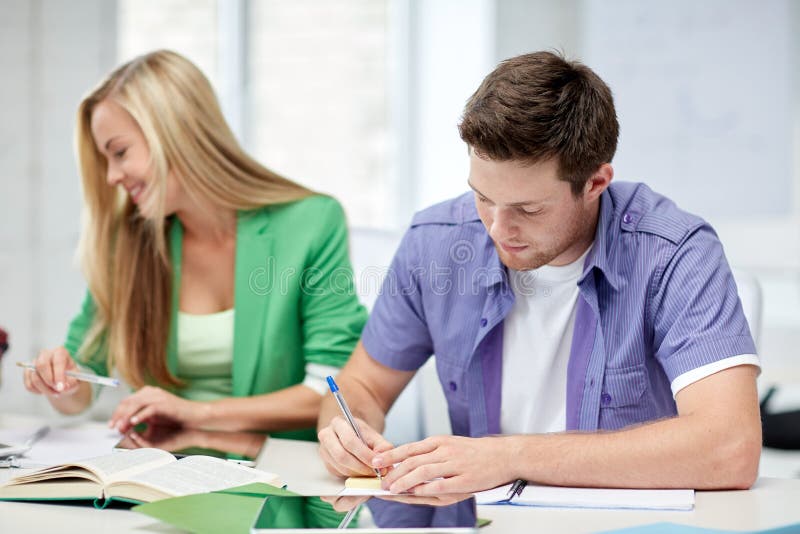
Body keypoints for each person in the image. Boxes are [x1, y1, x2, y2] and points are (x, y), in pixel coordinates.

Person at [317, 51, 761, 492]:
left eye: (527, 209)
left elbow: (729, 447)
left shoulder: (675, 254)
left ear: (595, 183)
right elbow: (362, 386)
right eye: (483, 197)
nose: (496, 227)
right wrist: (345, 428)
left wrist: (509, 455)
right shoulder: (435, 242)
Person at [22, 50, 367, 441]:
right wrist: (60, 381)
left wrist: (198, 412)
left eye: (119, 153)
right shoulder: (129, 239)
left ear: (174, 133)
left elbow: (334, 386)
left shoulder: (311, 223)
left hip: (280, 480)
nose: (112, 176)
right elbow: (82, 385)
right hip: (162, 478)